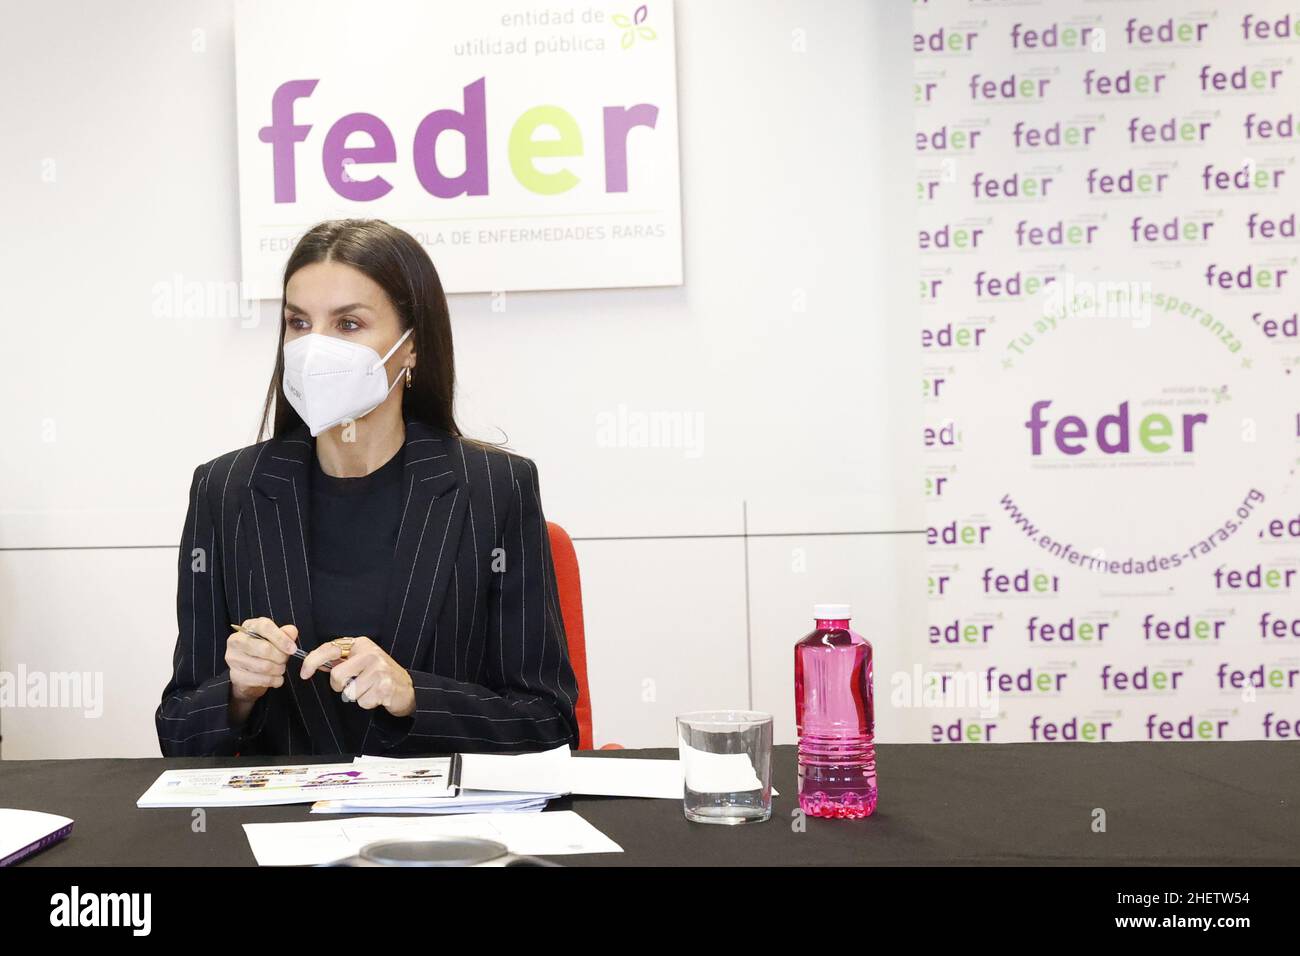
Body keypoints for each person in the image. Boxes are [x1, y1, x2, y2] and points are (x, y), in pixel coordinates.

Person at [155, 219, 580, 757]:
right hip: (285, 826)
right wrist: (238, 691)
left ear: (412, 347)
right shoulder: (226, 491)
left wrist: (413, 695)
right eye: (299, 323)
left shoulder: (495, 490)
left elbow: (549, 726)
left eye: (349, 324)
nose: (315, 349)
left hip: (442, 826)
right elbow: (177, 729)